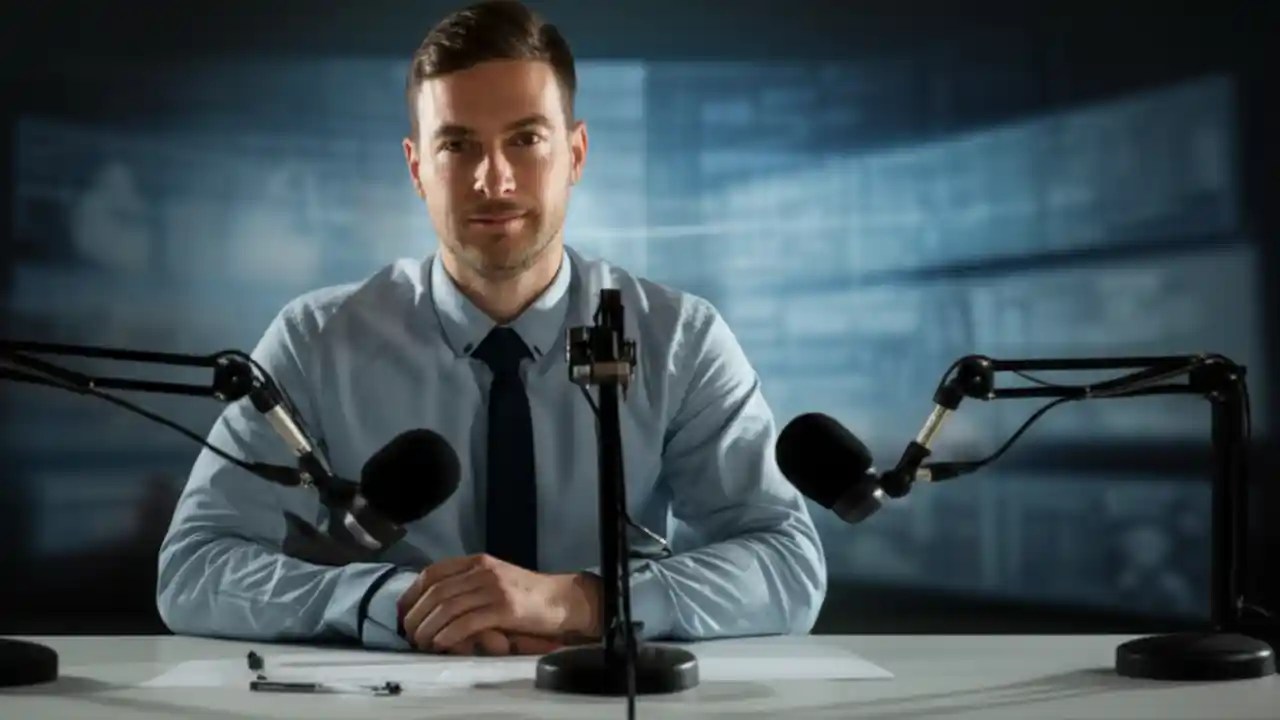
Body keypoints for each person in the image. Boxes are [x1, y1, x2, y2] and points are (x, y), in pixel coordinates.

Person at [156, 0, 826, 656]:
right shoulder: (313, 342)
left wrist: (580, 602)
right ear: (417, 168)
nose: (493, 179)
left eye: (526, 139)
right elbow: (193, 567)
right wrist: (391, 603)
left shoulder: (681, 340)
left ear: (577, 154)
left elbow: (788, 563)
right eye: (457, 144)